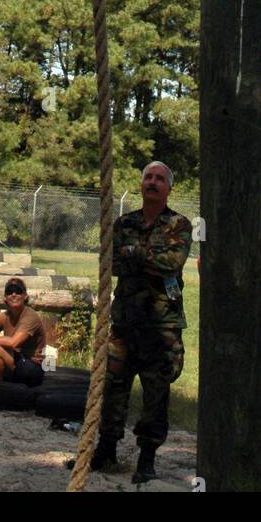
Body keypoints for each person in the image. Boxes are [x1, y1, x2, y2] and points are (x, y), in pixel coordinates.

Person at [89, 161, 192, 485]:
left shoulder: (179, 224)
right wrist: (144, 258)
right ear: (141, 182)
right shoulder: (124, 223)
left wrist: (137, 255)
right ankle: (107, 449)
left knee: (156, 393)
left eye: (160, 178)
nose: (152, 182)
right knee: (113, 387)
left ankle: (147, 457)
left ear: (169, 187)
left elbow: (172, 263)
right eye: (148, 177)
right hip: (125, 324)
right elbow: (112, 263)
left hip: (161, 327)